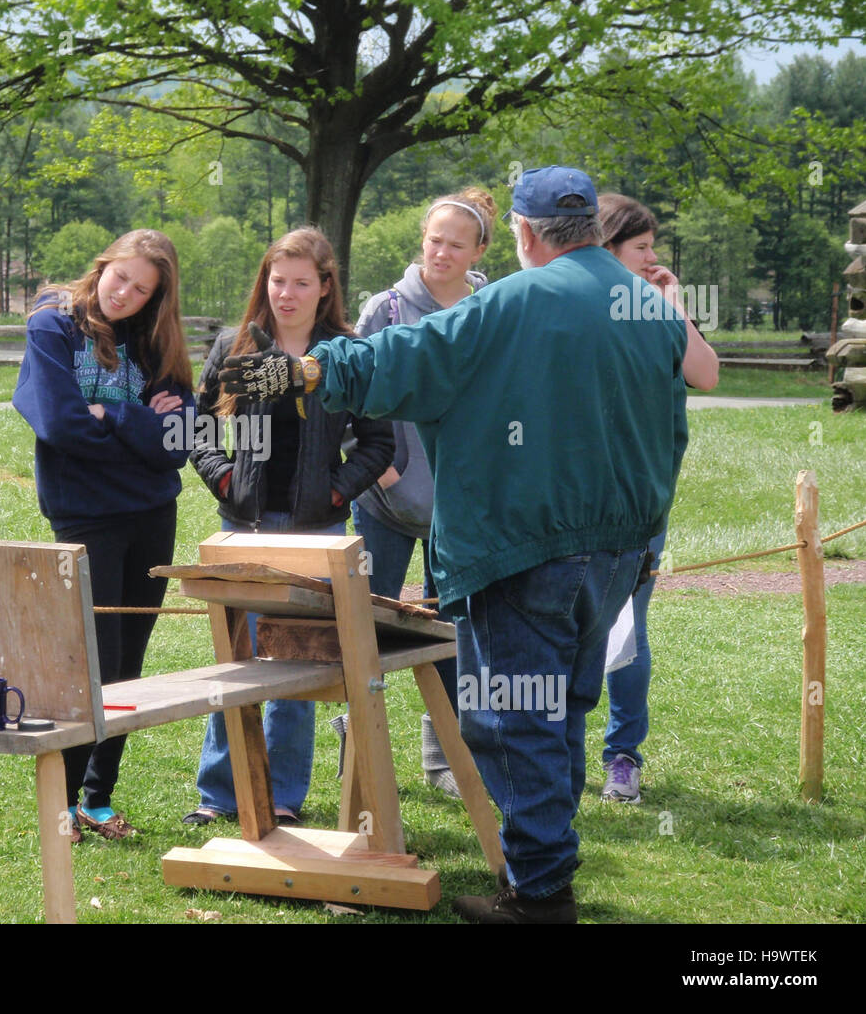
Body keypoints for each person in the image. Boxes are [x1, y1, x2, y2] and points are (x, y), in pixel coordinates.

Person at [219, 168, 687, 922]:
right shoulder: (649, 306)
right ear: (593, 231)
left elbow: (400, 358)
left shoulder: (507, 302)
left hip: (524, 544)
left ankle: (539, 892)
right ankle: (545, 867)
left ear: (525, 234)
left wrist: (306, 368)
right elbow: (672, 434)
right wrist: (642, 540)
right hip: (617, 549)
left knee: (508, 714)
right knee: (563, 705)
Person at [184, 226, 393, 826]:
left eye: (302, 283)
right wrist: (224, 479)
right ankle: (219, 795)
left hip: (317, 532)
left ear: (326, 288)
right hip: (242, 526)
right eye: (279, 281)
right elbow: (198, 430)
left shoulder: (348, 353)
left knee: (297, 659)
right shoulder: (236, 345)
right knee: (238, 657)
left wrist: (334, 491)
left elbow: (379, 444)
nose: (288, 294)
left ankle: (282, 797)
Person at [13, 228, 194, 841]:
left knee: (130, 662)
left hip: (151, 515)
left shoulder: (157, 342)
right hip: (84, 512)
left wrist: (112, 414)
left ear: (155, 298)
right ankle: (60, 802)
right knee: (91, 657)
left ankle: (97, 797)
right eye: (121, 276)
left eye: (141, 289)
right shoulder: (53, 326)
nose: (124, 293)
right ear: (103, 265)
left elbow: (179, 444)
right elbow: (61, 425)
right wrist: (141, 429)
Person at [352, 186, 495, 798]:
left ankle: (446, 761)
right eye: (434, 240)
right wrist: (382, 469)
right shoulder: (383, 309)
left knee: (451, 634)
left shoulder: (493, 308)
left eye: (454, 245)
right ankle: (356, 750)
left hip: (459, 508)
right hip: (383, 503)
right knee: (364, 630)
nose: (440, 253)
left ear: (478, 251)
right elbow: (354, 391)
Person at [597, 193, 719, 804]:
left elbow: (706, 373)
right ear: (608, 249)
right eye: (641, 247)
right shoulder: (583, 311)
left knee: (628, 628)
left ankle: (622, 756)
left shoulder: (659, 310)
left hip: (643, 503)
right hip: (574, 501)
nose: (653, 258)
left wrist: (675, 305)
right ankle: (551, 748)